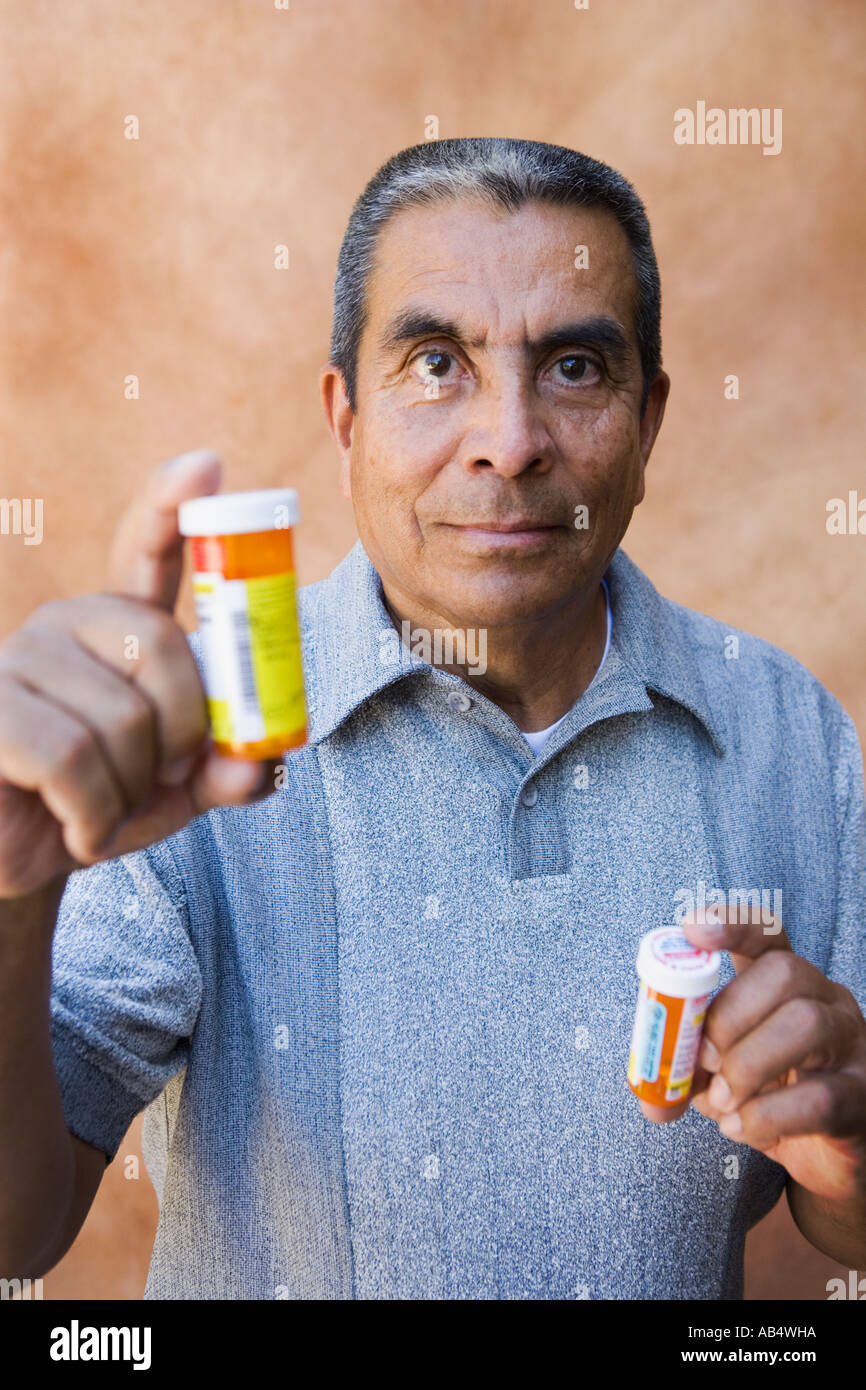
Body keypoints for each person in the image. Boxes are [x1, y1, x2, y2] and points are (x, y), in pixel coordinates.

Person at [1, 137, 864, 1300]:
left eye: (572, 366)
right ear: (344, 417)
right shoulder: (188, 738)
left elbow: (846, 1220)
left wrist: (847, 1142)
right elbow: (14, 1232)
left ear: (647, 421)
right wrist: (10, 893)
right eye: (434, 362)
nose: (508, 440)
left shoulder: (784, 729)